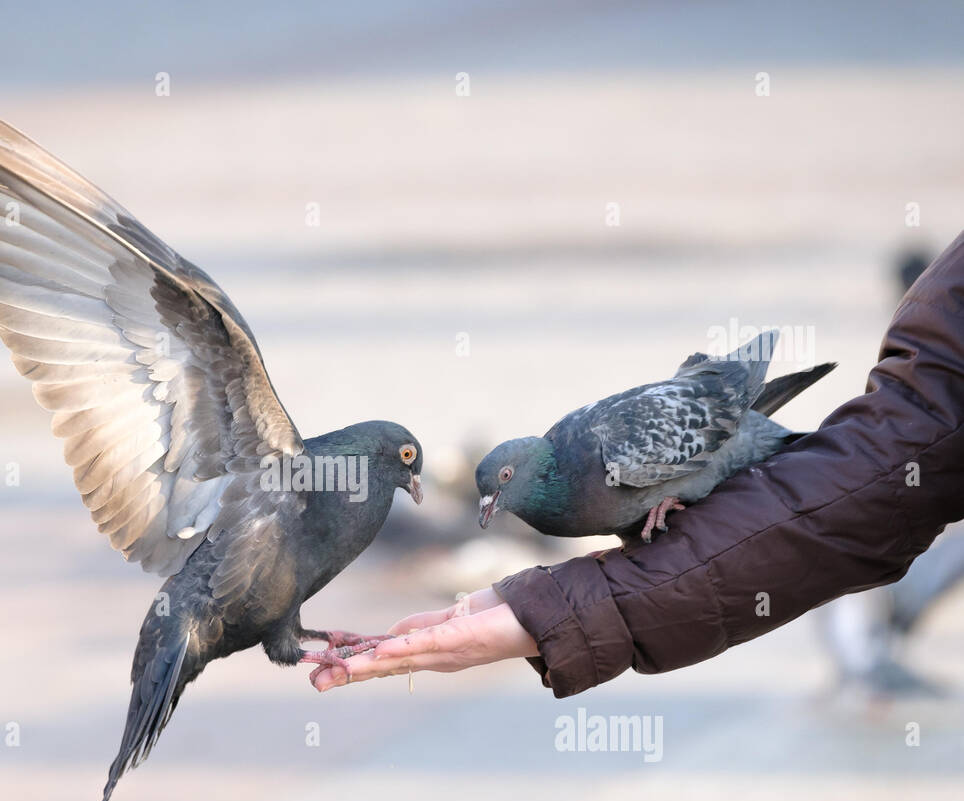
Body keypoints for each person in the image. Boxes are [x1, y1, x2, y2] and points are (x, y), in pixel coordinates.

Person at [310, 232, 964, 697]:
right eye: (491, 493)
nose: (493, 504)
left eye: (500, 487)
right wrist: (557, 610)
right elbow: (894, 457)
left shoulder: (612, 455)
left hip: (727, 427)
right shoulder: (556, 472)